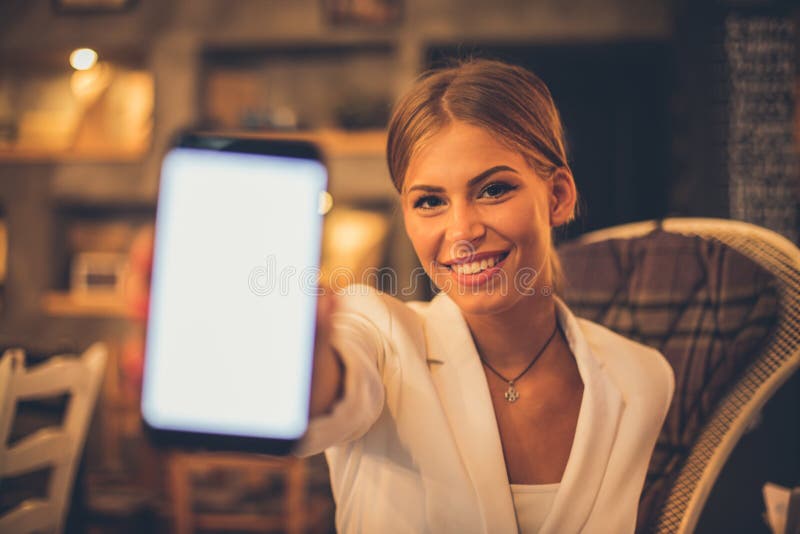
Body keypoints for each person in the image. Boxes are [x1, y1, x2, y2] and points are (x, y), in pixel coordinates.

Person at [298, 59, 674, 534]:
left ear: (558, 196)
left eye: (494, 190)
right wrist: (303, 355)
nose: (462, 233)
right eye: (430, 201)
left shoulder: (642, 378)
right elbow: (324, 395)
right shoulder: (378, 331)